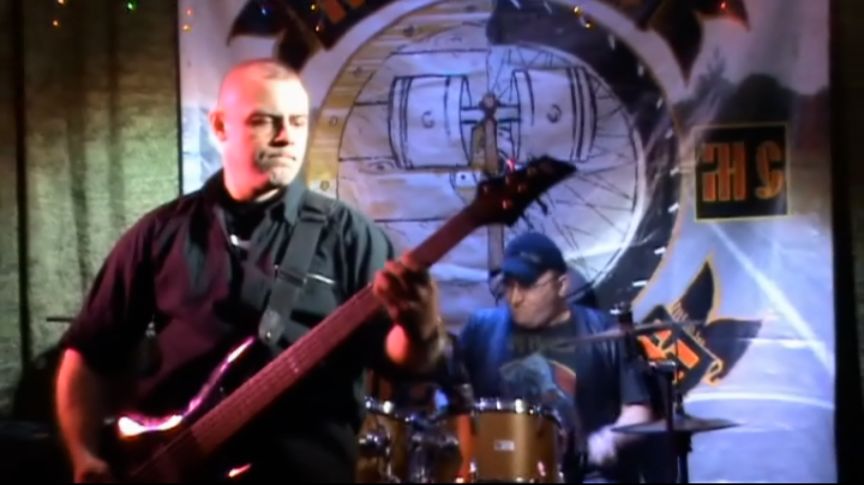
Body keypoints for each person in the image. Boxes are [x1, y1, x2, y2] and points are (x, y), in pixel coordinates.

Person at [53, 58, 448, 483]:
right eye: (265, 121)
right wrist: (83, 455)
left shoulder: (351, 236)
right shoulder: (161, 233)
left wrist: (421, 328)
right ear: (219, 127)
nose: (286, 137)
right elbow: (88, 354)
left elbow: (403, 362)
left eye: (297, 122)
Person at [450, 232, 654, 483]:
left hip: (585, 475)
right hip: (498, 472)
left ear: (562, 285)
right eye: (509, 285)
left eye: (527, 286)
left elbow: (638, 409)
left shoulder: (604, 332)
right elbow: (448, 395)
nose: (515, 298)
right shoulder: (481, 330)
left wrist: (608, 440)